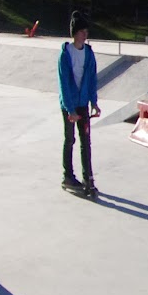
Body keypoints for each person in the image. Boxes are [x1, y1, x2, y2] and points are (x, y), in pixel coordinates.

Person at [58, 11, 102, 195]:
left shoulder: (89, 54)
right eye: (82, 31)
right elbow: (64, 84)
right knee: (70, 140)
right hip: (69, 105)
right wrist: (70, 110)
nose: (86, 34)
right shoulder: (65, 55)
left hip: (83, 104)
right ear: (75, 33)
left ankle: (88, 177)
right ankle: (68, 175)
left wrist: (94, 102)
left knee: (86, 141)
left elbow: (92, 79)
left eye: (86, 31)